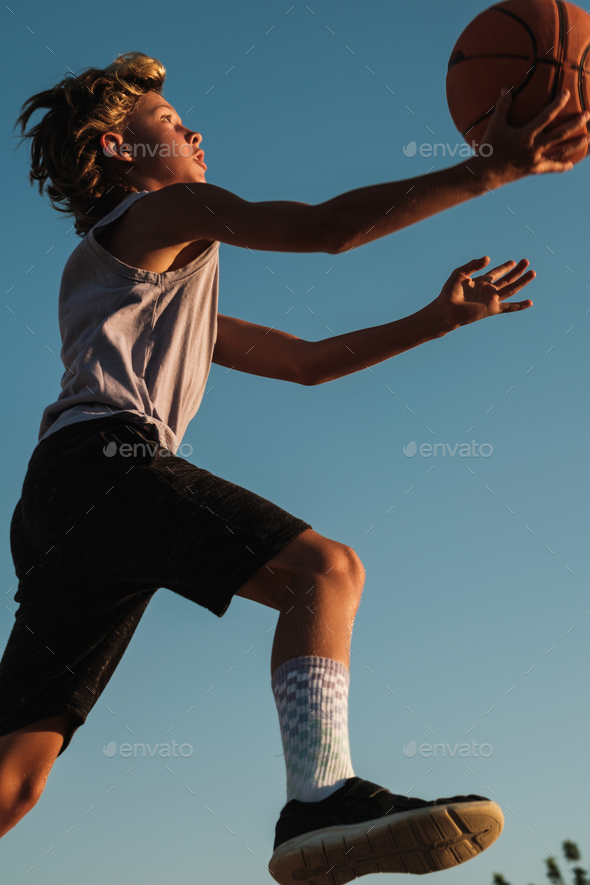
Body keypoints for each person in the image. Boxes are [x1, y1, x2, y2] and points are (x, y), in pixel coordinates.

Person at [0, 51, 587, 884]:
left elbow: (307, 362)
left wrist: (435, 320)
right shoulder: (167, 212)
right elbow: (324, 232)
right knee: (327, 569)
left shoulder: (146, 278)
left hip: (62, 500)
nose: (194, 131)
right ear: (114, 149)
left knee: (15, 778)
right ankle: (320, 797)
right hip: (104, 464)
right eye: (167, 124)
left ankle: (321, 799)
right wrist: (487, 171)